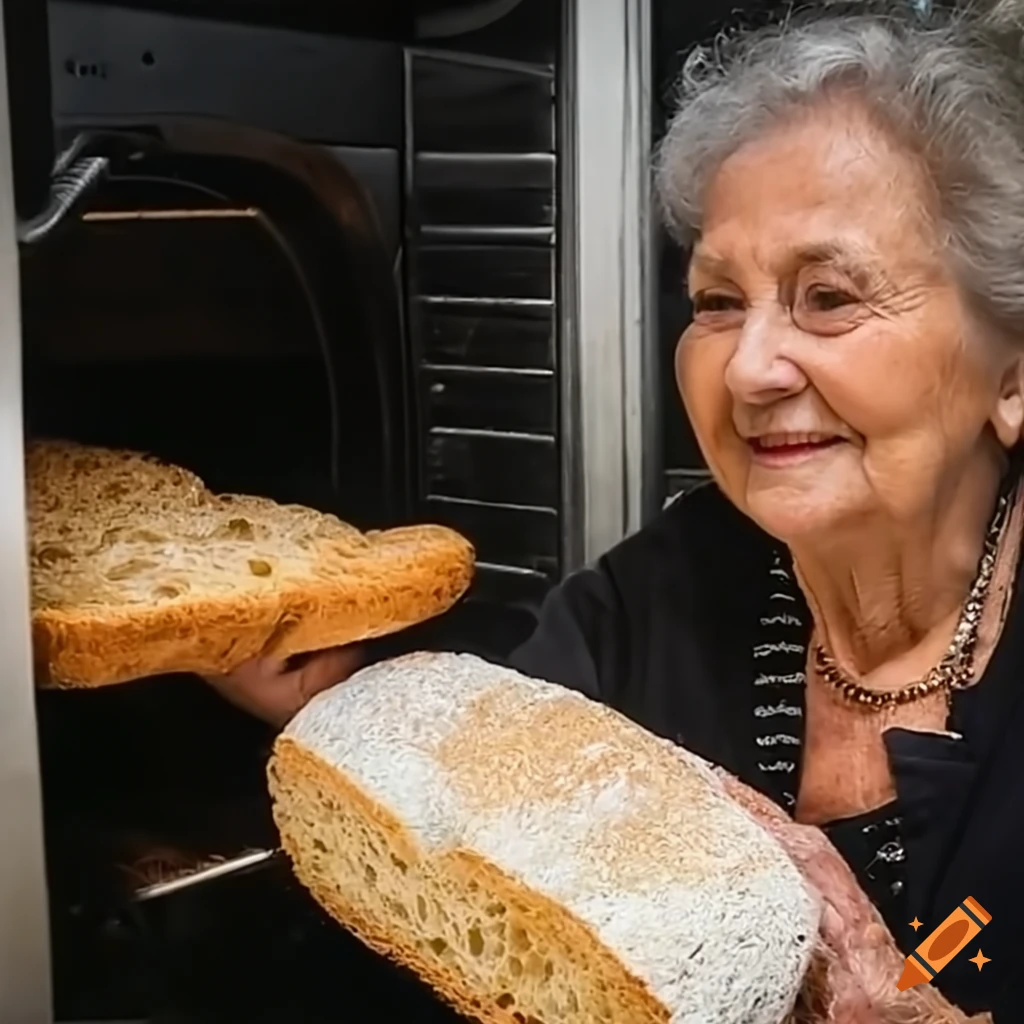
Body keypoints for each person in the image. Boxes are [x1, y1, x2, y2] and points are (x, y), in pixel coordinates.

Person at [205, 2, 1024, 1018]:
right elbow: (481, 821)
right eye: (717, 301)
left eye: (828, 296)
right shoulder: (661, 593)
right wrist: (318, 691)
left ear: (1013, 373)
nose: (751, 367)